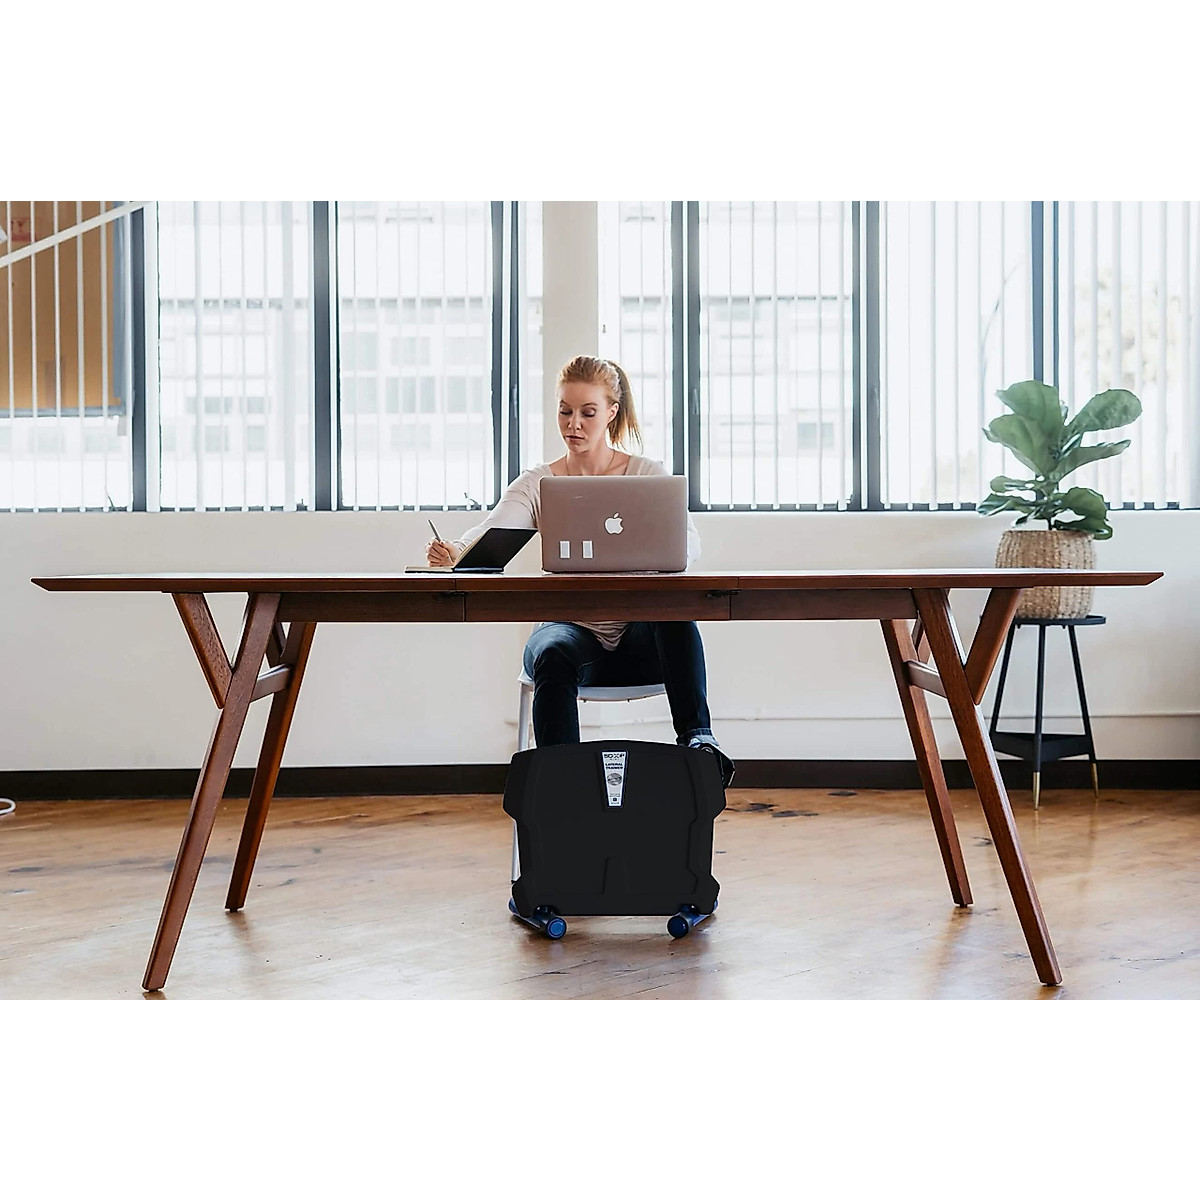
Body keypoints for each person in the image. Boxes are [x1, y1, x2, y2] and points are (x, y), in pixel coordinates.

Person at [426, 354, 734, 786]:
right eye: (565, 411)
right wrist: (456, 551)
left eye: (588, 413)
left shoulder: (647, 475)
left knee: (676, 613)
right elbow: (491, 531)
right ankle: (562, 783)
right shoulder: (539, 482)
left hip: (643, 640)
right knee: (551, 649)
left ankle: (700, 744)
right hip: (573, 635)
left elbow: (689, 543)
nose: (573, 424)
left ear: (611, 412)